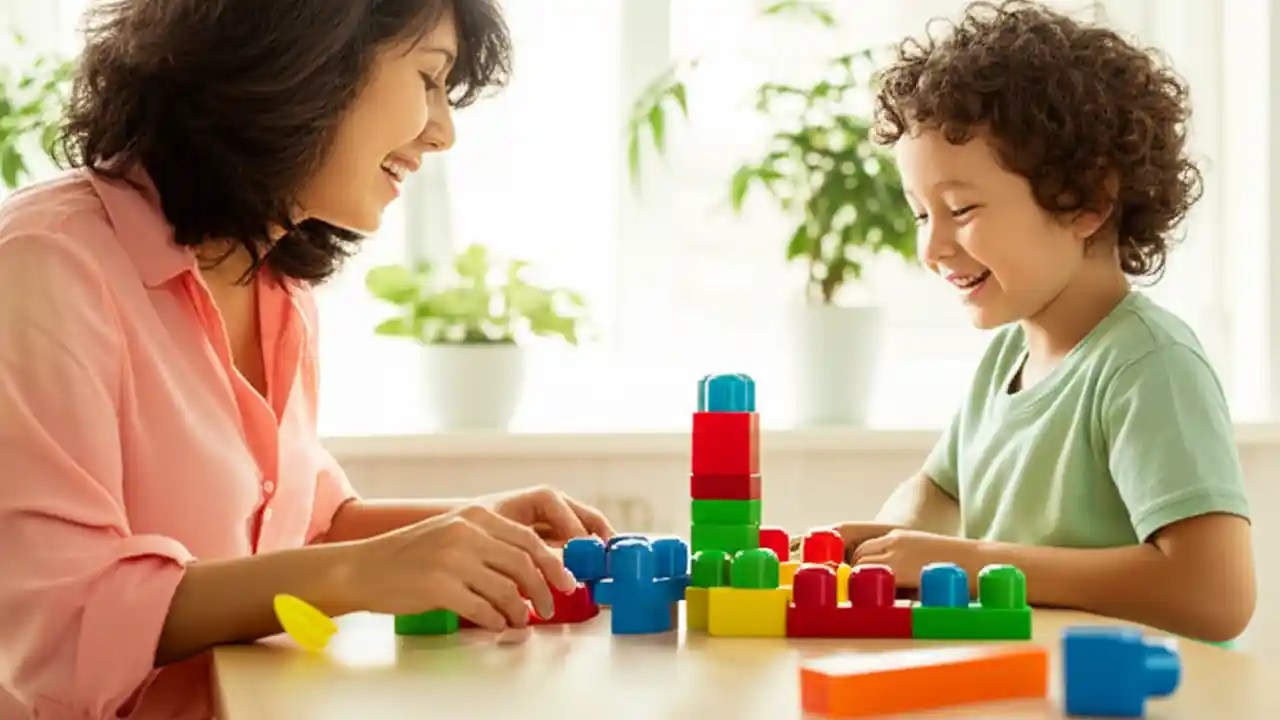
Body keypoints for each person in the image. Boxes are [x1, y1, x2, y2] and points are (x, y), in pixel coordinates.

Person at [0, 1, 615, 718]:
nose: (442, 132)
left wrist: (468, 528)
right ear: (312, 58)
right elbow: (55, 624)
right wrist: (361, 569)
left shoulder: (274, 282)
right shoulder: (44, 269)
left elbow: (292, 530)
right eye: (429, 79)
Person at [811, 0, 1255, 643]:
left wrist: (976, 563)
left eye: (960, 209)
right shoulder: (1007, 361)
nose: (931, 248)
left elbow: (1215, 595)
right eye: (919, 214)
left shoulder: (1147, 365)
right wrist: (885, 546)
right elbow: (936, 489)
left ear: (1086, 202)